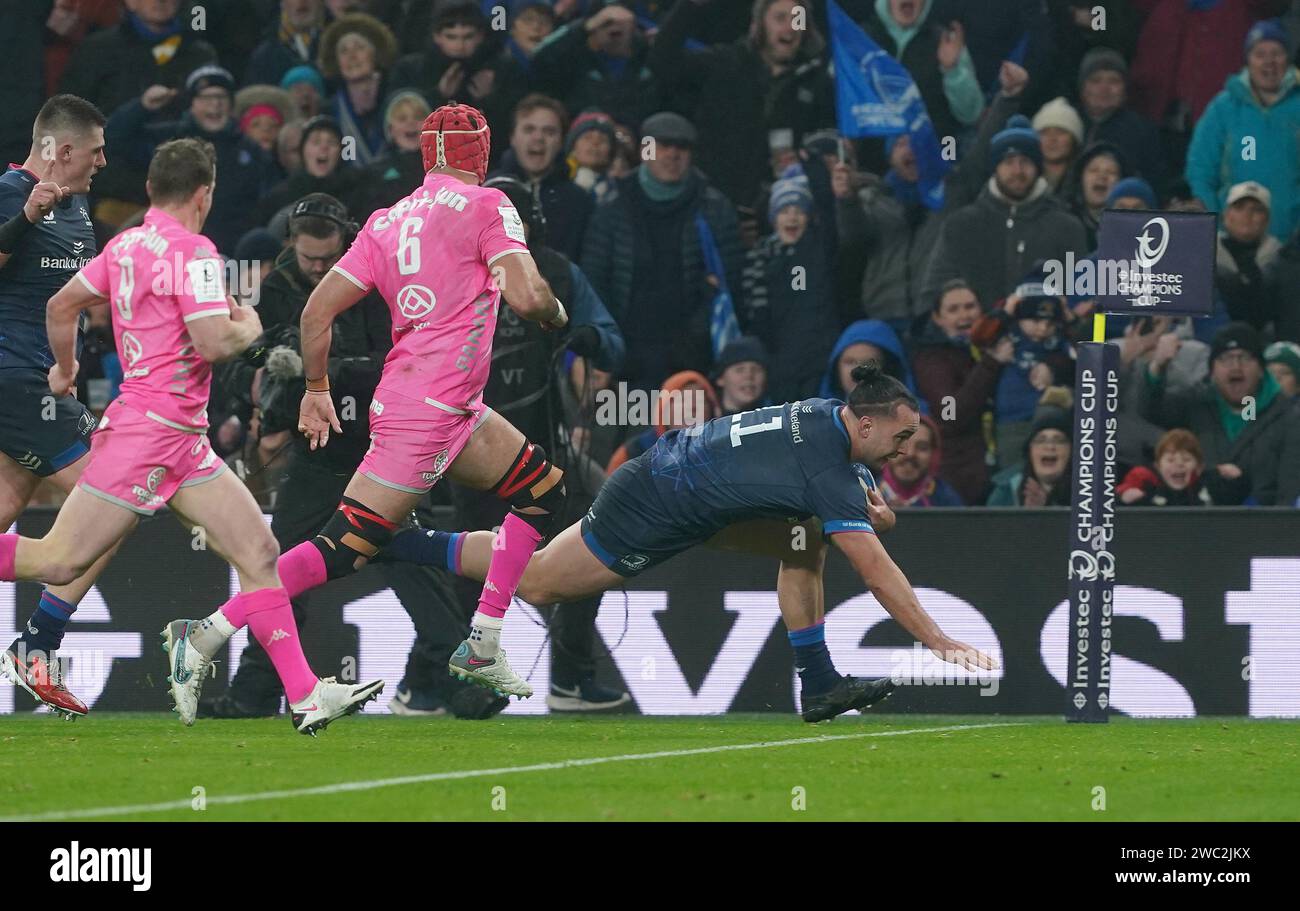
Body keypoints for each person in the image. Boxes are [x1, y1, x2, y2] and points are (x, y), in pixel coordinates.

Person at [0, 138, 384, 734]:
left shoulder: (126, 244)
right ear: (205, 194)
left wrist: (66, 368)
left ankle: (306, 696)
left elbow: (62, 302)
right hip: (146, 438)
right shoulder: (195, 251)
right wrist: (249, 325)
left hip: (182, 441)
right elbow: (212, 342)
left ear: (153, 189)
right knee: (57, 560)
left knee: (260, 555)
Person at [385, 364, 998, 723]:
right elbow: (877, 572)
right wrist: (937, 640)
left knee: (803, 541)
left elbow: (846, 490)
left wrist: (872, 511)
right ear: (866, 423)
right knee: (539, 580)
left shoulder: (826, 416)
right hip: (657, 499)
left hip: (679, 484)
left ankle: (819, 684)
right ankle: (403, 541)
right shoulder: (832, 471)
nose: (909, 448)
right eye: (902, 435)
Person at [238, 101, 571, 700]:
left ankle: (483, 641)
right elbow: (526, 296)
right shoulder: (489, 204)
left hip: (442, 404)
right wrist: (553, 312)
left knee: (544, 490)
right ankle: (211, 627)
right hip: (428, 410)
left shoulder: (385, 220)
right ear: (484, 153)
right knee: (343, 549)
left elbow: (317, 311)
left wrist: (315, 390)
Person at [432, 173, 629, 713]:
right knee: (479, 559)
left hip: (534, 445)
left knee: (581, 553)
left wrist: (589, 339)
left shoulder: (556, 271)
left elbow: (611, 342)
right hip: (474, 440)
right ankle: (465, 680)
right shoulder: (457, 269)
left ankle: (567, 677)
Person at [0, 94, 108, 717]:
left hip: (42, 388)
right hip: (15, 381)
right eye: (95, 150)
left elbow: (76, 299)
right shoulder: (11, 192)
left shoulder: (80, 211)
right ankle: (38, 642)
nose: (103, 161)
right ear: (62, 151)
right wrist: (23, 219)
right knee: (113, 499)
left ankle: (37, 644)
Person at [923, 115, 1087, 314]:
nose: (1017, 171)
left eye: (1025, 161)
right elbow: (933, 294)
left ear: (1038, 168)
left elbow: (1086, 301)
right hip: (973, 340)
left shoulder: (1067, 227)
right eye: (1008, 162)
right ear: (995, 168)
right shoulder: (961, 224)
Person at [1136, 322, 1300, 506]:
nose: (1235, 366)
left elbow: (1290, 489)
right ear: (1212, 371)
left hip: (1261, 527)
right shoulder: (1193, 404)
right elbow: (1149, 416)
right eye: (1225, 358)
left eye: (1244, 357)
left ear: (1261, 369)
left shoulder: (1286, 416)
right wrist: (1158, 368)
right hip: (1197, 525)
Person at [1186, 19, 1300, 241]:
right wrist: (1213, 222)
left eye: (1276, 53)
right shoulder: (1223, 107)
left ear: (1287, 59)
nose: (1269, 62)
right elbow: (1200, 168)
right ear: (1248, 61)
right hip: (1229, 239)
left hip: (1293, 243)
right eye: (1260, 54)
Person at [911, 279, 1007, 505]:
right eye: (953, 309)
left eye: (970, 306)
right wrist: (991, 363)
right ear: (937, 318)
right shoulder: (931, 360)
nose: (964, 315)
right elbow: (950, 414)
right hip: (960, 481)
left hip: (999, 469)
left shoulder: (996, 344)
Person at [986, 408, 1073, 507]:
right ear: (1030, 451)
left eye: (1059, 441)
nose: (1050, 447)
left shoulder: (1087, 491)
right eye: (1041, 440)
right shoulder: (1005, 492)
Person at [877, 415, 963, 507]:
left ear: (934, 455)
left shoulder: (946, 499)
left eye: (922, 447)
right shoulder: (864, 494)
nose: (910, 454)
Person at [1118, 428, 1217, 507]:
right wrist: (1123, 496)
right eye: (1170, 460)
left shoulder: (1209, 483)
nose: (1179, 464)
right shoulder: (1144, 480)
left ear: (1199, 467)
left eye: (1186, 459)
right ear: (1158, 466)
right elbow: (1111, 499)